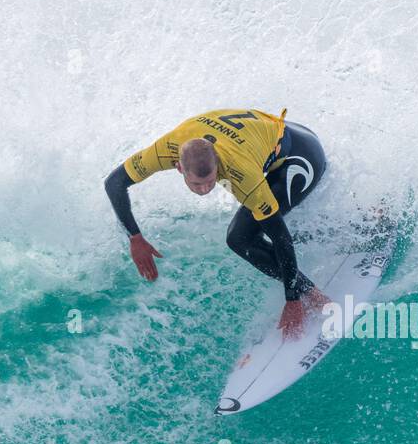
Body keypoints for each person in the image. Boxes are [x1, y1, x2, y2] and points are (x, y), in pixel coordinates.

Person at [104, 108, 331, 340]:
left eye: (211, 181)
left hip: (300, 156)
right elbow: (114, 182)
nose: (204, 189)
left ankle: (313, 296)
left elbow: (280, 236)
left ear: (218, 164)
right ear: (179, 167)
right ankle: (316, 245)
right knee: (257, 225)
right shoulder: (166, 148)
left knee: (241, 238)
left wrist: (292, 300)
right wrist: (135, 237)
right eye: (196, 184)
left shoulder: (241, 173)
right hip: (277, 135)